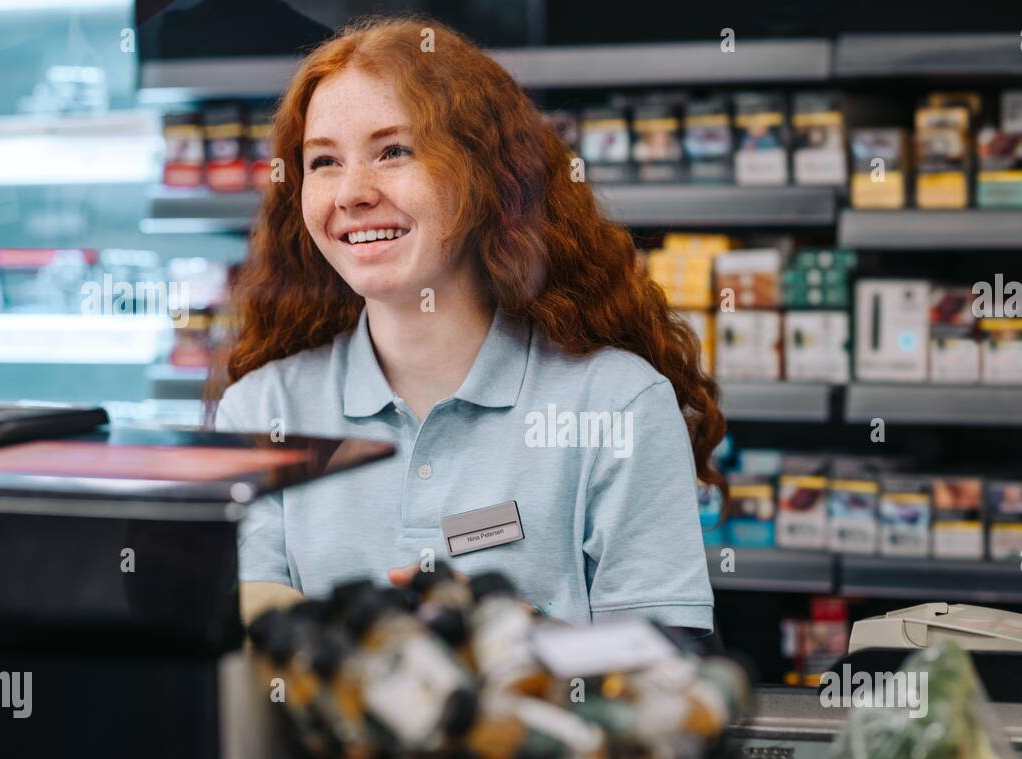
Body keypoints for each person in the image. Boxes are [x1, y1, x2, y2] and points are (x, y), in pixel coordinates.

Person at [215, 15, 725, 632]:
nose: (352, 192)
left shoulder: (617, 405)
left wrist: (499, 635)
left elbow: (670, 679)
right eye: (323, 162)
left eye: (393, 151)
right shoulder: (260, 411)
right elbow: (247, 648)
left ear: (487, 176)